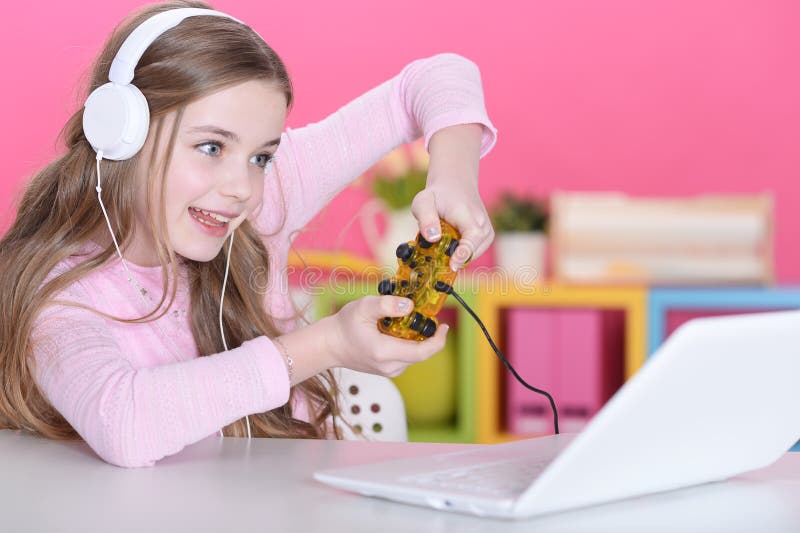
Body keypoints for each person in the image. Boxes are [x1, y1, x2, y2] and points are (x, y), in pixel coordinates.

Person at [0, 0, 497, 468]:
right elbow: (124, 423)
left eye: (261, 156)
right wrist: (325, 347)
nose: (242, 188)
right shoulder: (56, 291)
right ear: (121, 133)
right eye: (212, 146)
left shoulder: (264, 201)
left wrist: (452, 178)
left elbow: (438, 76)